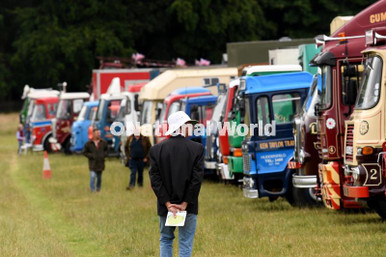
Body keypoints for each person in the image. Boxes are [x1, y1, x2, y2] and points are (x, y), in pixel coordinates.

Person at [149, 111, 204, 257]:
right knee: (185, 243)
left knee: (166, 240)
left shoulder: (156, 150)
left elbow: (155, 180)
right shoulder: (196, 148)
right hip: (189, 205)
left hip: (165, 206)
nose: (192, 128)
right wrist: (185, 203)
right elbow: (196, 180)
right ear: (182, 126)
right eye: (189, 125)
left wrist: (167, 204)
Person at [83, 128, 108, 192]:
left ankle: (98, 188)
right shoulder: (88, 144)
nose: (98, 134)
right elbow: (84, 152)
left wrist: (103, 155)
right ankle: (92, 189)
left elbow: (107, 151)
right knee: (93, 176)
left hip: (100, 163)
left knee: (99, 177)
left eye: (99, 133)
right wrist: (91, 156)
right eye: (97, 133)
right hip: (92, 163)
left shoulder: (103, 143)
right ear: (93, 134)